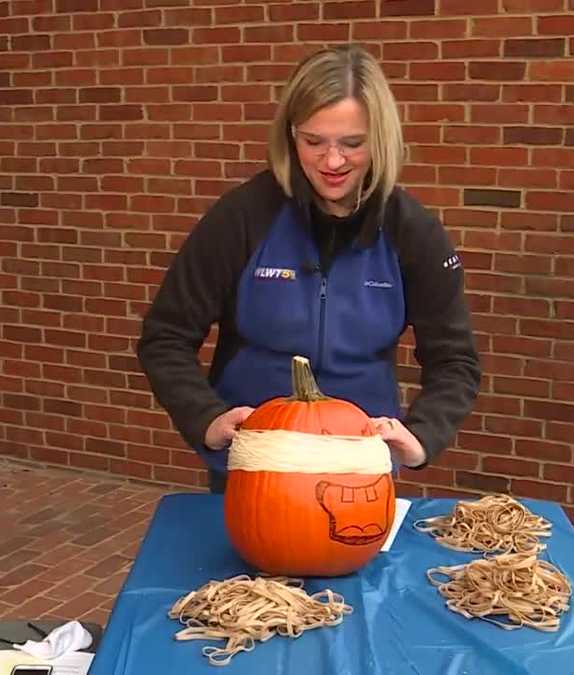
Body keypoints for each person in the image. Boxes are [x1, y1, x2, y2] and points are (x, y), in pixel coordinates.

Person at [136, 44, 481, 494]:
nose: (332, 161)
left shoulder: (412, 231)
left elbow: (455, 360)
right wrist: (205, 417)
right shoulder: (243, 217)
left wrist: (423, 436)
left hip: (358, 476)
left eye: (352, 143)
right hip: (254, 472)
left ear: (380, 139)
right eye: (313, 141)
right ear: (290, 135)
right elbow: (165, 336)